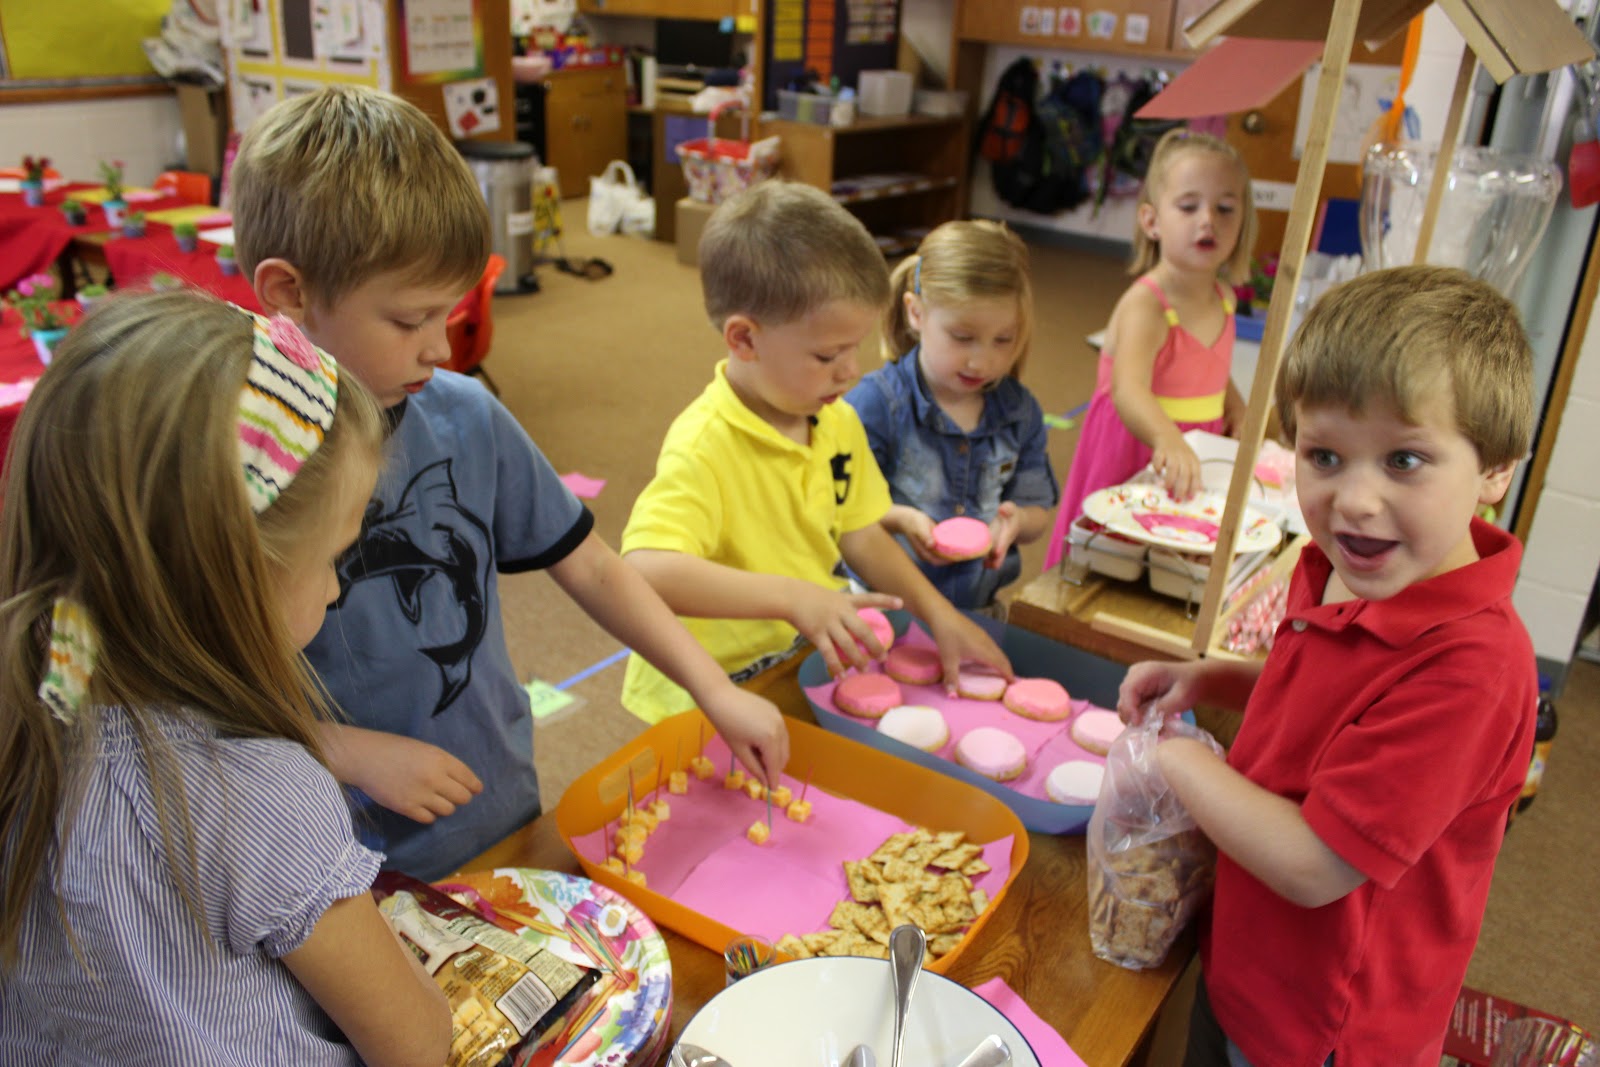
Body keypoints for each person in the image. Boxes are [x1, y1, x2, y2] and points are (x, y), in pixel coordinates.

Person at [230, 84, 788, 882]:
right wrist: (347, 752)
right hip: (336, 861)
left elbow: (592, 566)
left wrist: (712, 689)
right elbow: (185, 704)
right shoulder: (234, 462)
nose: (441, 349)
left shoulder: (463, 414)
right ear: (289, 293)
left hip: (495, 797)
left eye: (448, 314)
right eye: (409, 320)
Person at [0, 292, 451, 1066]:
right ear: (232, 575)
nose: (335, 589)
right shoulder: (260, 792)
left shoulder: (26, 710)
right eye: (331, 558)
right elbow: (416, 1042)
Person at [1117, 266, 1538, 1066]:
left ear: (1495, 468)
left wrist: (1176, 757)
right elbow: (1324, 697)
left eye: (1404, 459)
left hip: (1322, 1030)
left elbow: (1315, 864)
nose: (1355, 501)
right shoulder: (1357, 566)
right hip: (1252, 965)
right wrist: (1215, 679)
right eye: (1325, 455)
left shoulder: (1473, 668)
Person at [619, 181, 1013, 724]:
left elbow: (859, 533)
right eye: (828, 355)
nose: (851, 371)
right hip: (706, 695)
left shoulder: (835, 418)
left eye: (855, 348)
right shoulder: (704, 445)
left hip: (795, 663)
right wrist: (792, 597)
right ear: (744, 339)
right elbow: (645, 571)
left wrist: (938, 613)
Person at [1043, 128, 1257, 570]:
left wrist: (1234, 403)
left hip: (1192, 444)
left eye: (1225, 208)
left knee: (1171, 551)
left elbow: (1212, 366)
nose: (1208, 220)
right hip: (1138, 443)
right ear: (1151, 221)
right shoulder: (1148, 305)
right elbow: (1128, 389)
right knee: (1113, 549)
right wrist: (1166, 438)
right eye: (1189, 206)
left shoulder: (1223, 297)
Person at [845, 220, 1056, 614]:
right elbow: (836, 509)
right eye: (962, 337)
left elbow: (1036, 510)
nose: (982, 361)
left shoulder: (1020, 411)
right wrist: (900, 519)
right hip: (887, 607)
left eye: (1003, 339)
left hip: (979, 607)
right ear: (916, 313)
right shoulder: (876, 405)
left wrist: (1015, 521)